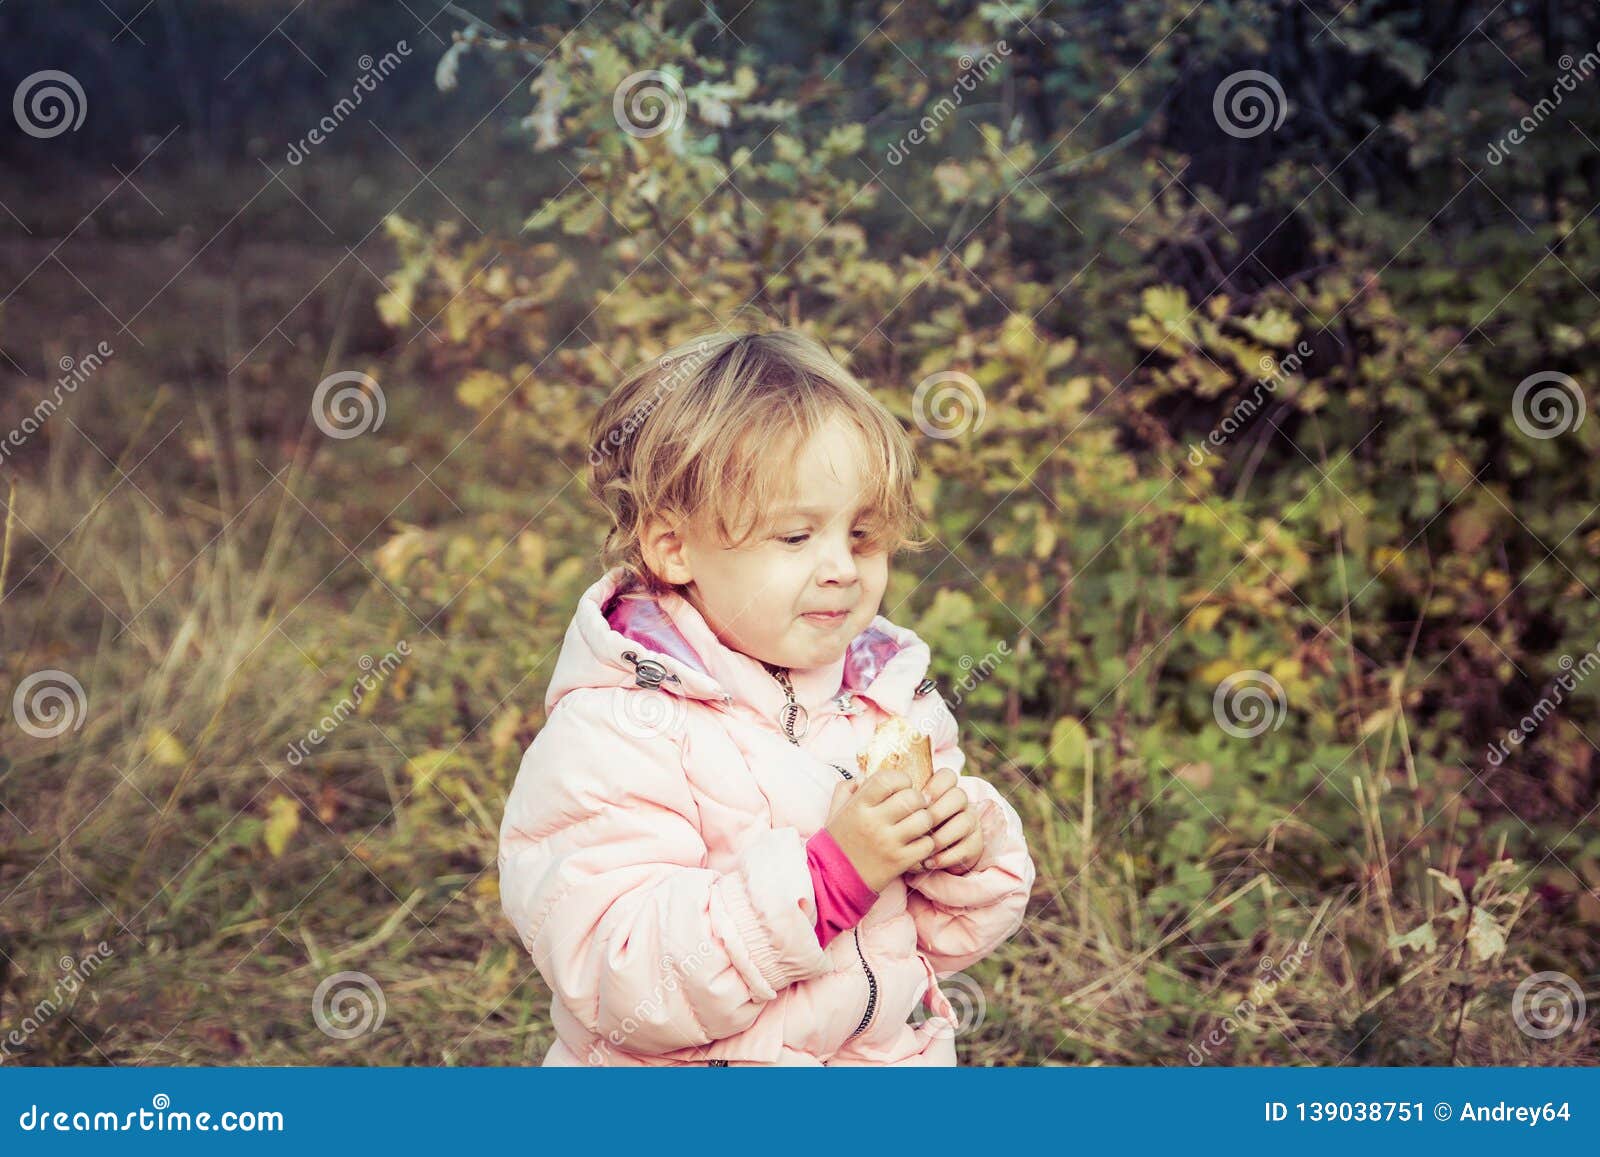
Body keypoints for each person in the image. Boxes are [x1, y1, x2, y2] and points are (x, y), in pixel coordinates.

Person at [497, 328, 1035, 1065]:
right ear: (673, 546)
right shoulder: (620, 724)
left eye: (864, 535)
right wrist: (826, 881)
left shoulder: (885, 697)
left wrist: (961, 848)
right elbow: (618, 974)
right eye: (795, 536)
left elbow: (949, 936)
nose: (843, 568)